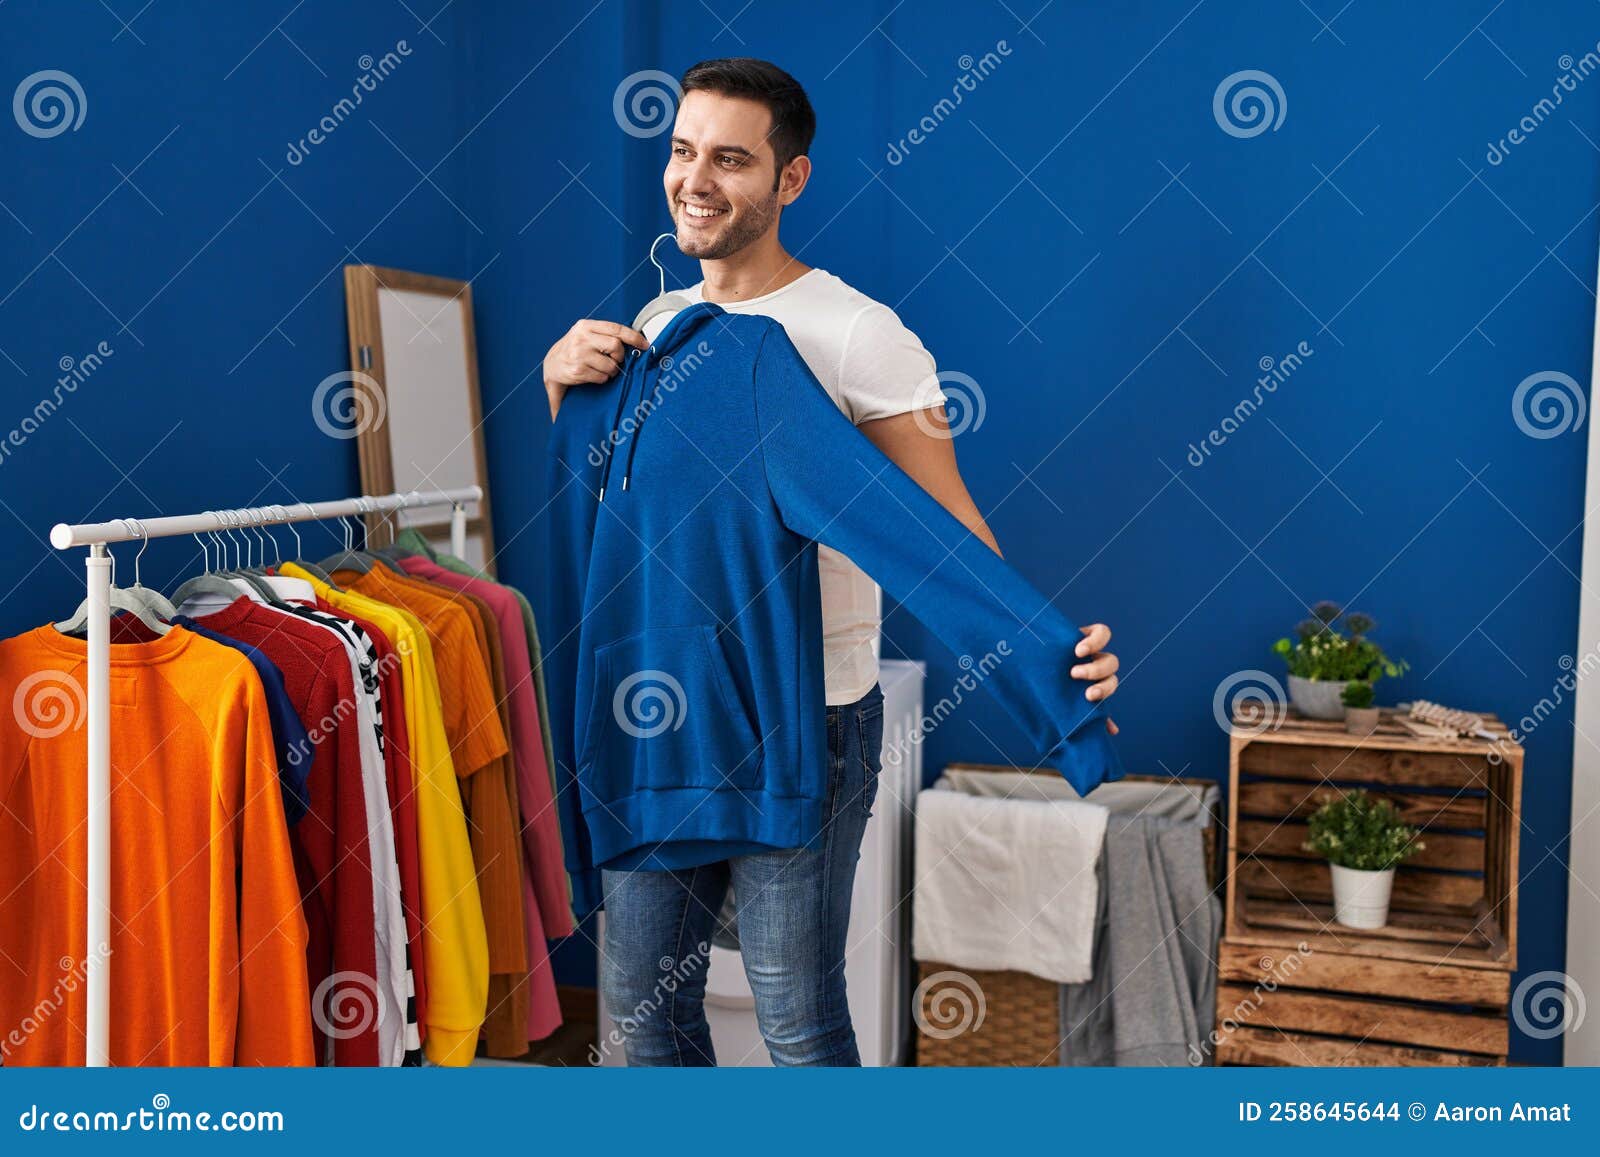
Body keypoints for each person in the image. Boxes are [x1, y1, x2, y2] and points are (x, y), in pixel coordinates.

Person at [542, 57, 1120, 1066]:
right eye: (682, 152)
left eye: (730, 158)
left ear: (789, 180)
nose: (695, 179)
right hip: (660, 715)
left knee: (795, 1015)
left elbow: (937, 527)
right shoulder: (654, 327)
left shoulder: (862, 336)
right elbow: (624, 522)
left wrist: (1049, 650)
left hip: (802, 716)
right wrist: (563, 390)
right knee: (638, 1013)